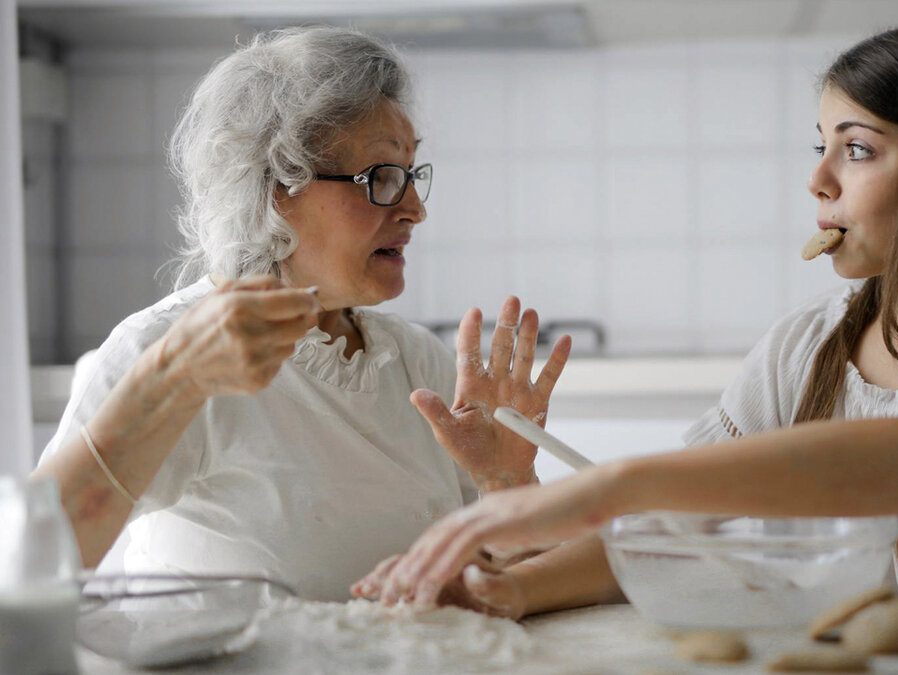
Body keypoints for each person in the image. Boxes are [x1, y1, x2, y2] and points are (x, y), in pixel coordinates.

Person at [354, 18, 898, 613]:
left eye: (856, 147)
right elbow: (675, 529)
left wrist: (616, 481)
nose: (817, 179)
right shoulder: (806, 347)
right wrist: (514, 585)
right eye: (819, 145)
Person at [31, 26, 570, 601]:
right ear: (272, 189)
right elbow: (31, 561)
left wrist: (507, 484)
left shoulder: (416, 362)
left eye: (412, 175)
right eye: (381, 178)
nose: (414, 209)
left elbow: (501, 587)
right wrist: (170, 380)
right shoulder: (166, 347)